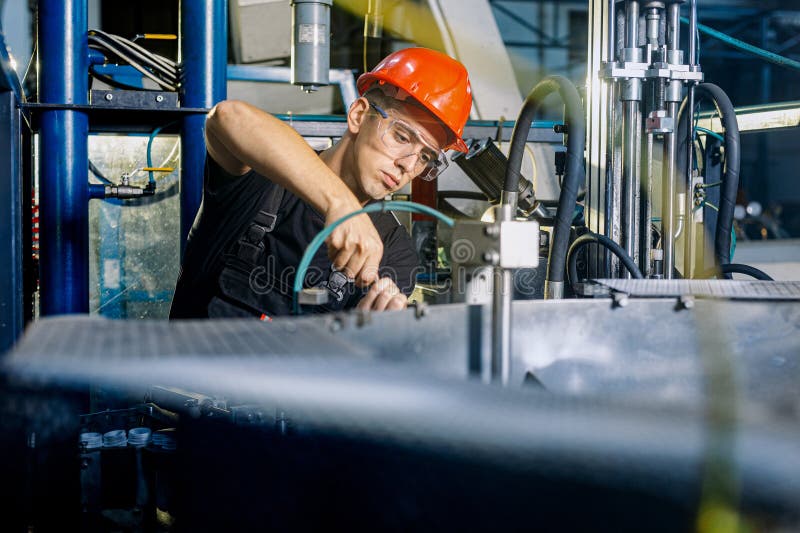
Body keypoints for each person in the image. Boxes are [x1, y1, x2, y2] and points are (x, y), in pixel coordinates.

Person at [169, 47, 472, 319]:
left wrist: (378, 336)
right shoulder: (261, 179)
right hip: (188, 380)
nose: (408, 165)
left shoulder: (392, 251)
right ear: (358, 115)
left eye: (425, 157)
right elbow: (226, 116)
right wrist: (338, 202)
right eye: (402, 136)